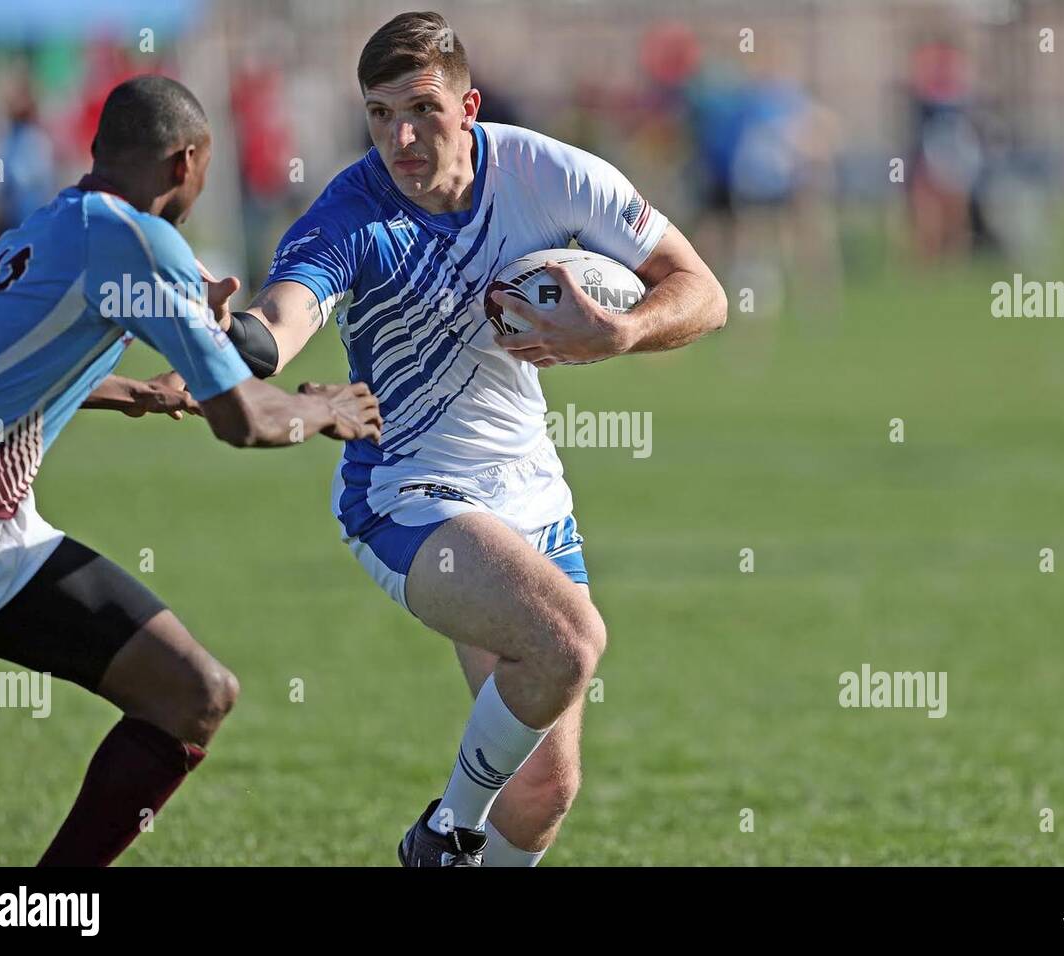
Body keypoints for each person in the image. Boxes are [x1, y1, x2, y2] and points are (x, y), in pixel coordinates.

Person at [217, 11, 726, 866]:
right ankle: (446, 832)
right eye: (379, 115)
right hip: (408, 497)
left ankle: (470, 837)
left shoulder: (547, 173)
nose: (401, 137)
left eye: (421, 109)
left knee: (543, 793)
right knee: (569, 641)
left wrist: (626, 333)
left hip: (529, 488)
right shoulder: (351, 214)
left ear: (470, 105)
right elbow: (278, 326)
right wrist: (223, 329)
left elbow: (701, 289)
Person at [0, 75, 381, 866]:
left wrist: (133, 389)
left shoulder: (48, 224)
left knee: (192, 693)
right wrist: (326, 409)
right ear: (186, 162)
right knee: (191, 694)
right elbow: (246, 423)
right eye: (205, 171)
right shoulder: (138, 241)